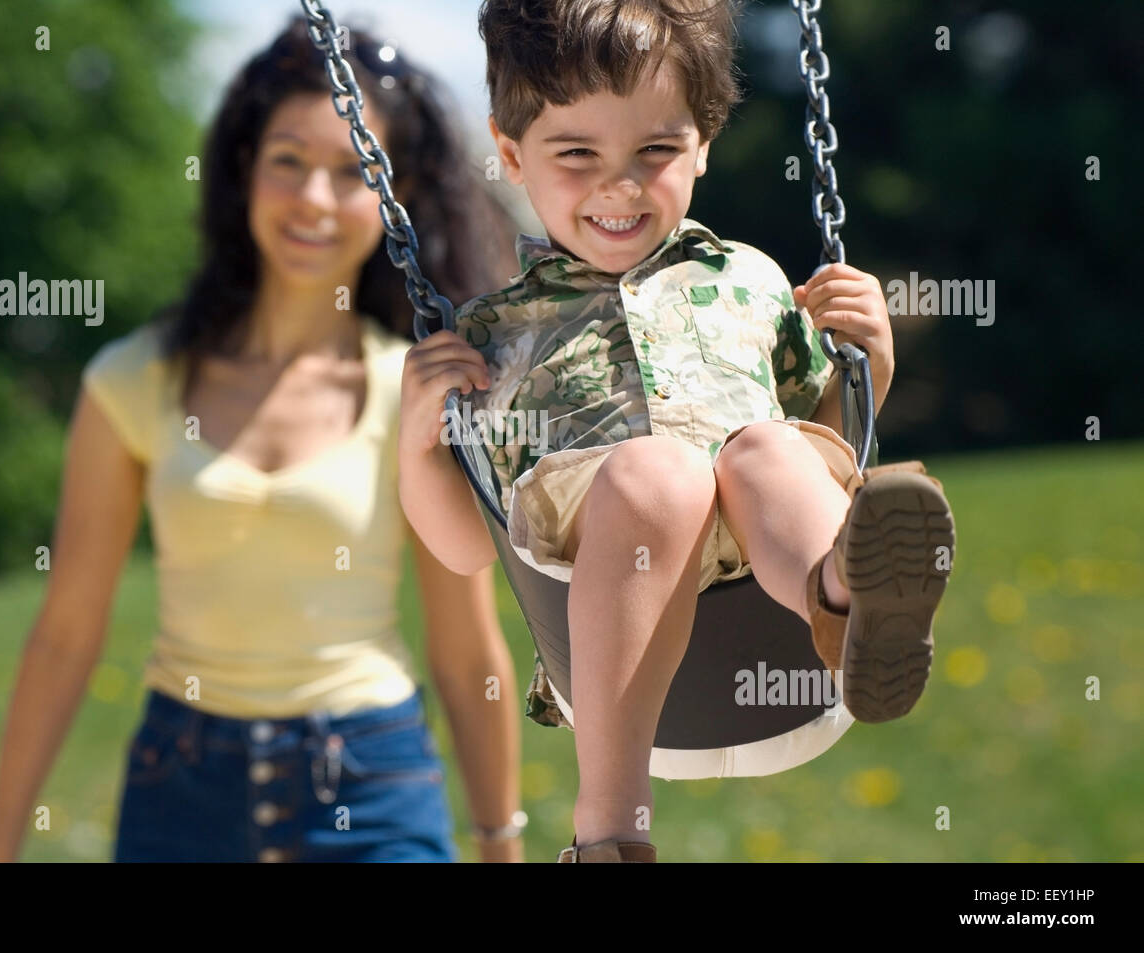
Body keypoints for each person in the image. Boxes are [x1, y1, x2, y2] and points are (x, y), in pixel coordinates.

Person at [399, 0, 956, 862]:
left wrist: (868, 368)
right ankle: (610, 831)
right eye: (577, 154)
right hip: (602, 562)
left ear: (702, 141)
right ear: (510, 155)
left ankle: (848, 601)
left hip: (761, 564)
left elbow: (826, 435)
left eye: (654, 151)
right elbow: (468, 549)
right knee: (658, 474)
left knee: (770, 447)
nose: (619, 185)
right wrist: (417, 440)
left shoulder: (753, 280)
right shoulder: (488, 333)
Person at [0, 18, 528, 863]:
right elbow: (64, 634)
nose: (313, 198)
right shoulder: (133, 381)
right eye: (287, 162)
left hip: (371, 782)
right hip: (181, 786)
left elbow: (465, 652)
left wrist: (500, 844)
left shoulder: (415, 390)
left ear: (398, 192)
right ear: (243, 169)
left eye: (353, 173)